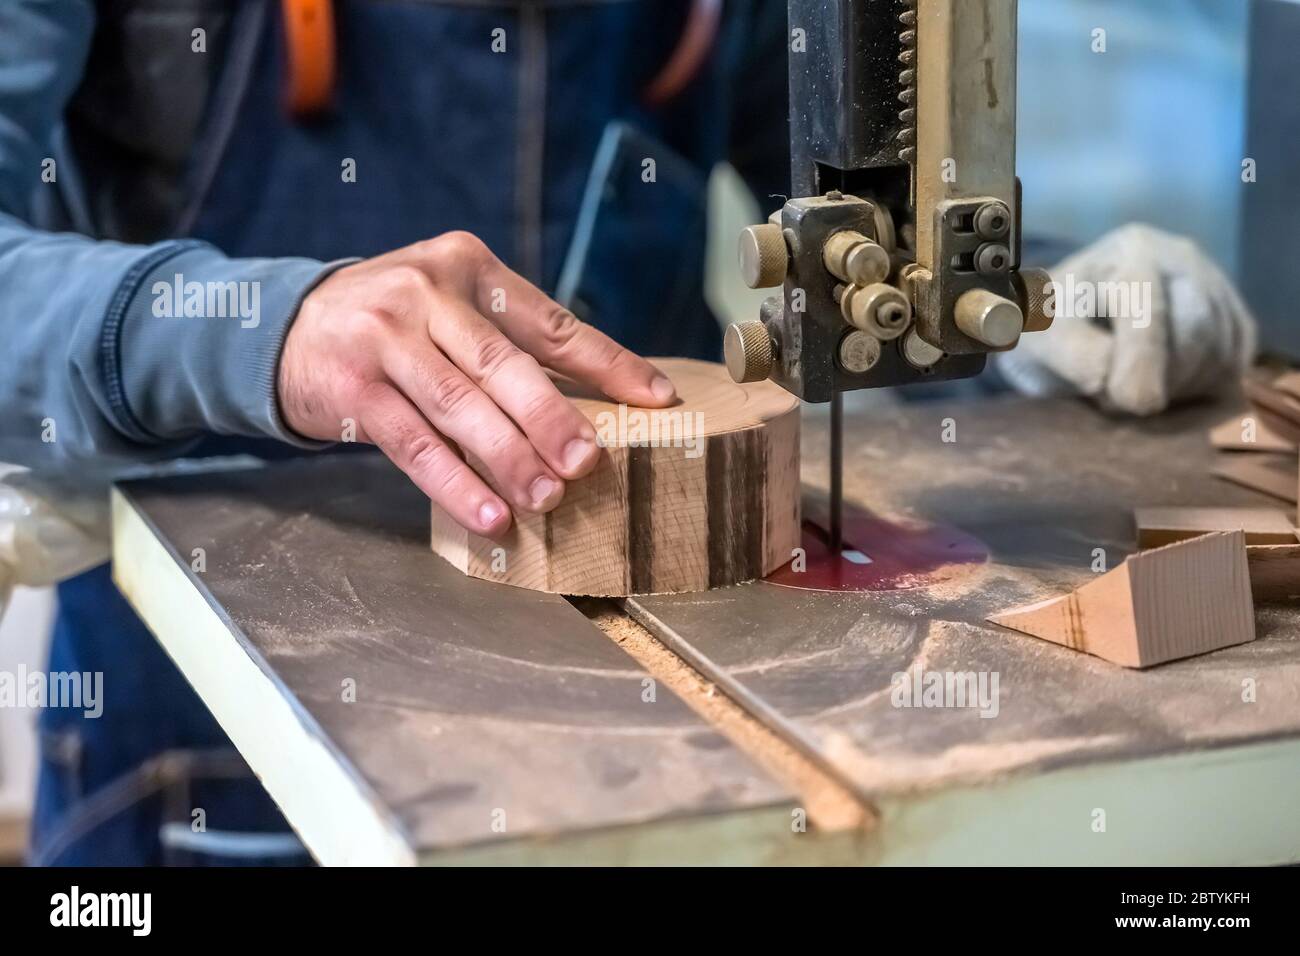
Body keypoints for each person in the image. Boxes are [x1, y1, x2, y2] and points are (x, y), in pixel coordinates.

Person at [0, 1, 1252, 865]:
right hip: (201, 718)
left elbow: (839, 232)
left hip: (687, 716)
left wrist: (1026, 318)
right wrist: (260, 329)